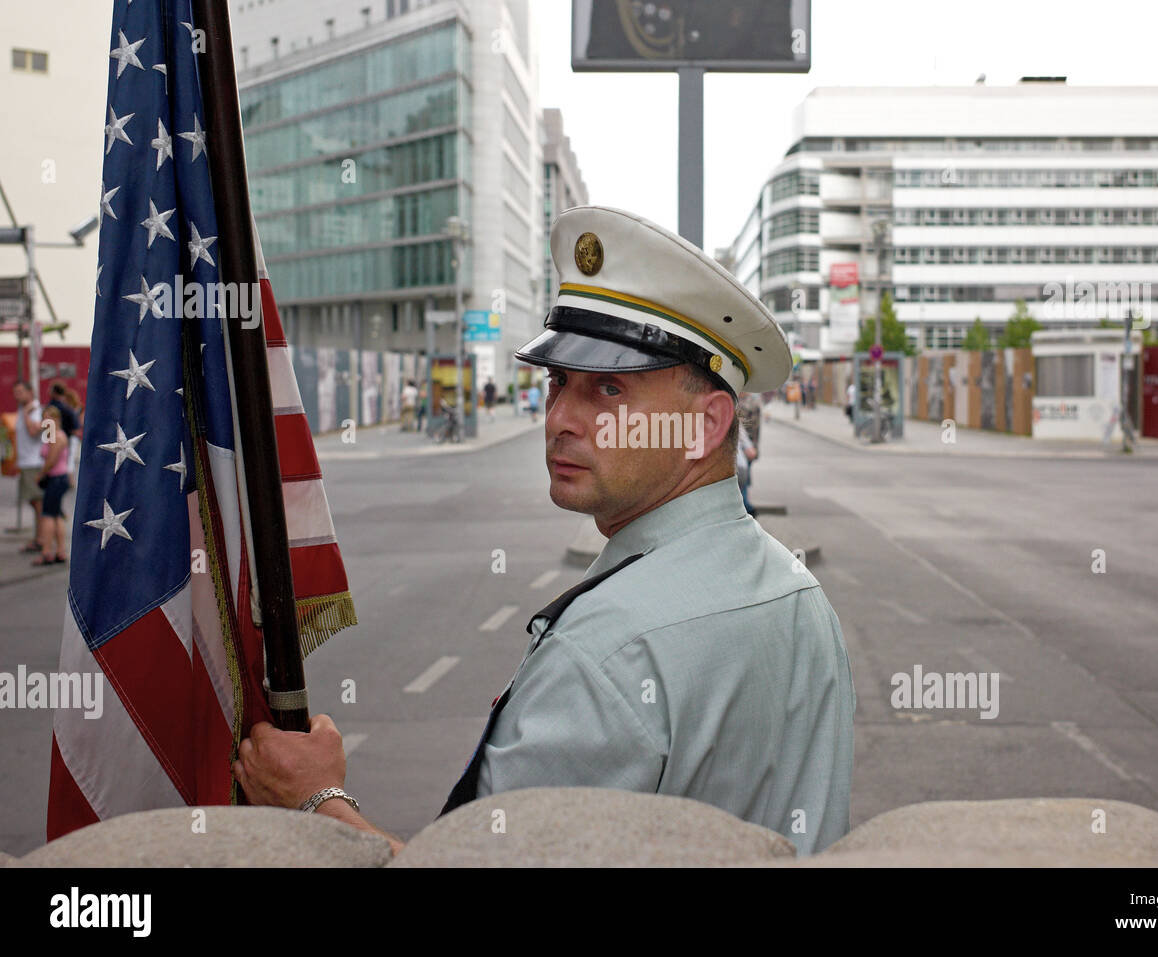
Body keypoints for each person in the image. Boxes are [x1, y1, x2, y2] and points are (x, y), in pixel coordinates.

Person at [233, 205, 856, 856]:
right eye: (559, 381)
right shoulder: (800, 596)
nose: (560, 416)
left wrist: (315, 801)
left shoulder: (609, 651)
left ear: (705, 424)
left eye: (609, 389)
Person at [31, 403, 70, 565]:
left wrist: (40, 475)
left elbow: (51, 460)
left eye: (49, 418)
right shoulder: (52, 435)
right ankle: (60, 551)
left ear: (57, 419)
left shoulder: (59, 437)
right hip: (57, 478)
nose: (46, 421)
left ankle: (47, 552)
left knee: (47, 515)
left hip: (56, 478)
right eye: (44, 418)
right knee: (56, 515)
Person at [12, 381, 45, 552]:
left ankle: (41, 539)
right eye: (15, 393)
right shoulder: (23, 410)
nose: (17, 396)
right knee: (33, 502)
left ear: (30, 392)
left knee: (38, 502)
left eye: (20, 392)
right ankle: (40, 536)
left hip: (34, 462)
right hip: (25, 462)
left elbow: (34, 432)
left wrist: (25, 413)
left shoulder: (35, 411)